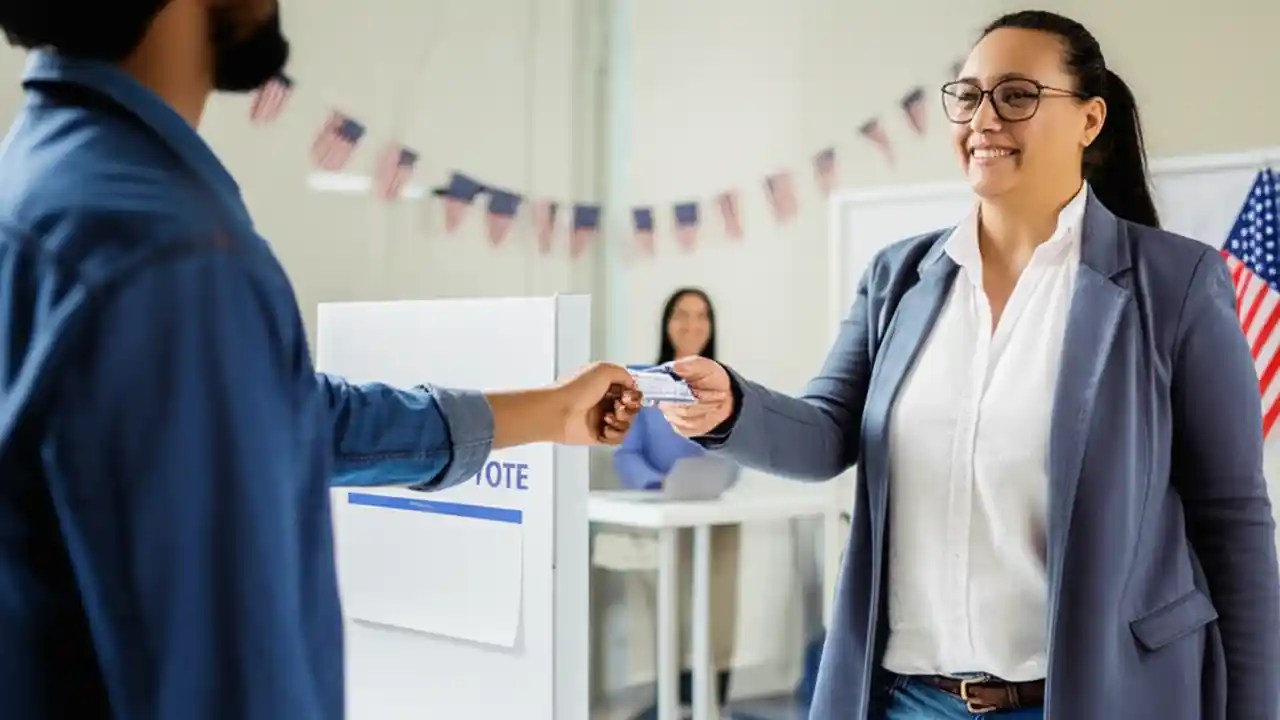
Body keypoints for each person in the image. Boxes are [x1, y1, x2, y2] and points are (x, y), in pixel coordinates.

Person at [0, 2, 640, 719]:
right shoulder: (170, 255)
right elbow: (228, 682)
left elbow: (292, 418)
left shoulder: (46, 187)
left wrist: (552, 410)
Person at [661, 10, 1280, 720]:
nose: (984, 118)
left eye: (1017, 95)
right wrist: (731, 408)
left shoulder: (1174, 283)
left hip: (1101, 697)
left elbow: (1232, 519)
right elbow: (829, 430)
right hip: (909, 701)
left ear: (1090, 119)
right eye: (967, 94)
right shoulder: (898, 276)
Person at [610, 288, 739, 715]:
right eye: (682, 315)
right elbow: (626, 454)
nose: (691, 325)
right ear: (667, 324)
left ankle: (712, 700)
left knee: (718, 612)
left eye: (702, 316)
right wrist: (657, 485)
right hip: (660, 517)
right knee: (667, 614)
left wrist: (716, 476)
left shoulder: (724, 384)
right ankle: (671, 701)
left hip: (712, 515)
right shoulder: (642, 383)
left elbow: (739, 451)